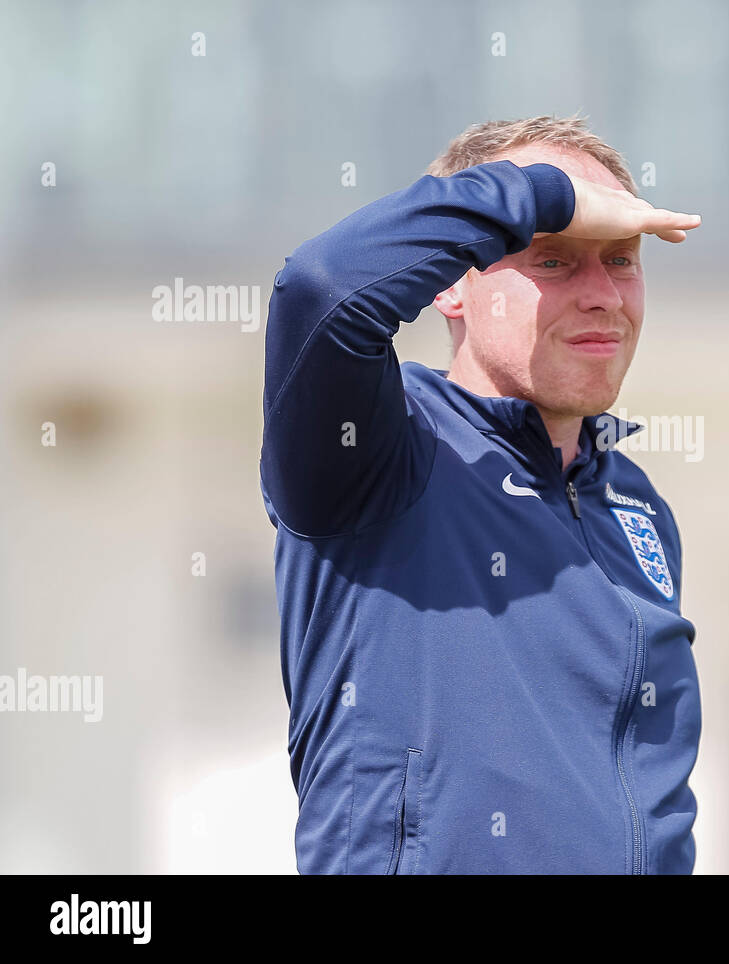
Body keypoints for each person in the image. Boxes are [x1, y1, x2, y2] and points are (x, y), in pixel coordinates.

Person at [259, 115, 703, 873]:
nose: (603, 296)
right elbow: (322, 288)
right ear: (452, 286)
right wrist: (541, 194)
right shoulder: (379, 447)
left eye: (622, 260)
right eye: (555, 258)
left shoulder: (637, 507)